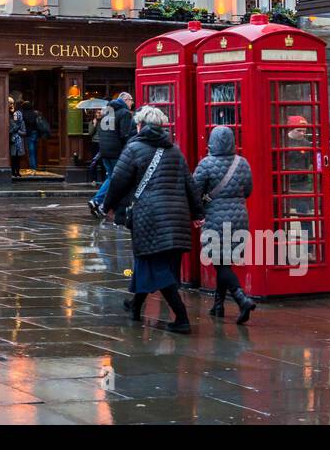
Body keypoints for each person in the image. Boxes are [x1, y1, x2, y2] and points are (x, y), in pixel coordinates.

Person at [103, 105, 201, 334]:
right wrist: (198, 213)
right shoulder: (174, 150)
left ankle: (182, 317)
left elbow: (118, 180)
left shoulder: (134, 148)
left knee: (156, 268)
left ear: (140, 125)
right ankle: (135, 305)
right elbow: (190, 184)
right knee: (148, 262)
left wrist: (107, 206)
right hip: (176, 217)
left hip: (150, 217)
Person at [192, 125, 258, 325]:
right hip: (239, 218)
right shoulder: (242, 163)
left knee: (220, 263)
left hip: (215, 219)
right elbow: (248, 190)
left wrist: (199, 210)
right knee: (225, 262)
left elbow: (194, 192)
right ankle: (218, 305)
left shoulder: (206, 164)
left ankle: (242, 299)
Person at [88, 92, 135, 216]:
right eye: (131, 100)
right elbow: (125, 134)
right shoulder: (125, 113)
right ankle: (99, 202)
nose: (132, 103)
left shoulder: (108, 112)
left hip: (104, 151)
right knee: (116, 179)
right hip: (116, 151)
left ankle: (99, 203)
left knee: (111, 178)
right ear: (125, 100)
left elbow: (102, 133)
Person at [9, 97, 27, 179]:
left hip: (19, 142)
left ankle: (18, 172)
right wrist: (14, 129)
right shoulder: (11, 121)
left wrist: (18, 132)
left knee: (18, 159)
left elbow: (24, 132)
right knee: (13, 158)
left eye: (17, 115)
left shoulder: (22, 122)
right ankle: (13, 172)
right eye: (14, 115)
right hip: (13, 142)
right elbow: (10, 130)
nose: (15, 116)